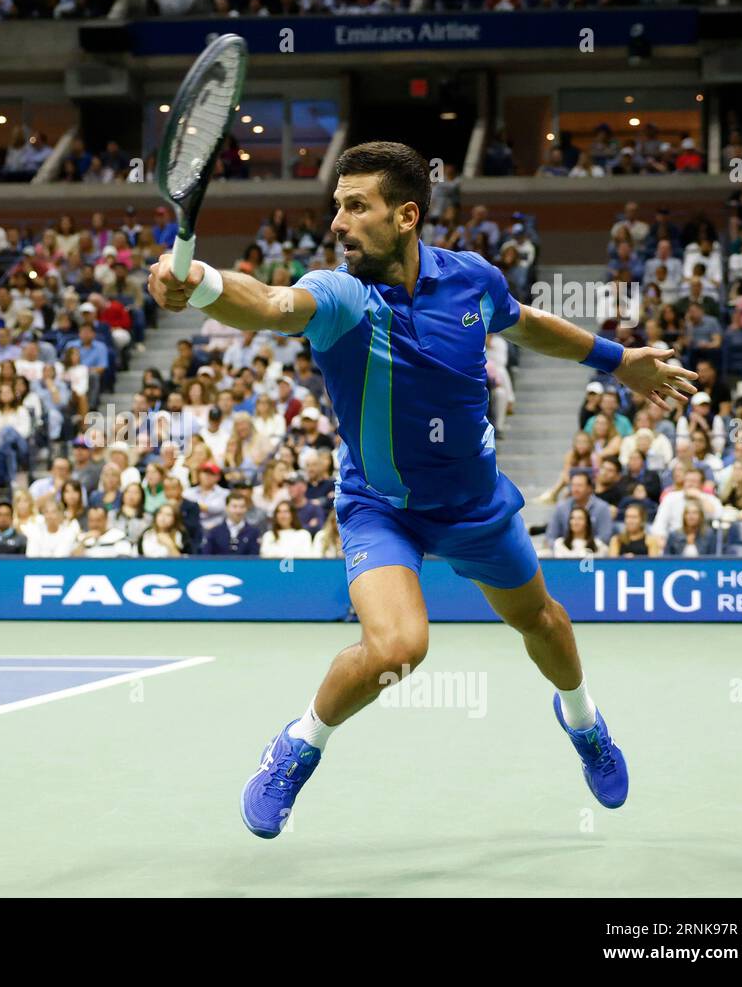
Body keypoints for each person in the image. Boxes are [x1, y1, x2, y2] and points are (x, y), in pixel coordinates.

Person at [147, 140, 696, 837]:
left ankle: (584, 722)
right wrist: (200, 284)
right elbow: (275, 305)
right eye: (336, 207)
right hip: (383, 506)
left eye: (356, 207)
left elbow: (525, 323)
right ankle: (298, 744)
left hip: (474, 504)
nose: (339, 223)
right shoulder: (342, 295)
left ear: (406, 215)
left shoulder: (472, 280)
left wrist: (619, 361)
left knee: (544, 623)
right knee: (398, 649)